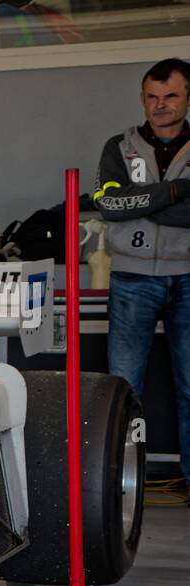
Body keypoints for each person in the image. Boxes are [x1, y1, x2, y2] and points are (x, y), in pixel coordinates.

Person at [93, 58, 190, 496]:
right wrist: (174, 191)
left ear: (188, 97)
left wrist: (142, 201)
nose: (160, 105)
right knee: (122, 390)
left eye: (170, 96)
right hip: (132, 279)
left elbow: (130, 204)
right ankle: (119, 488)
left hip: (188, 277)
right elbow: (110, 206)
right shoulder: (119, 146)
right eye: (152, 96)